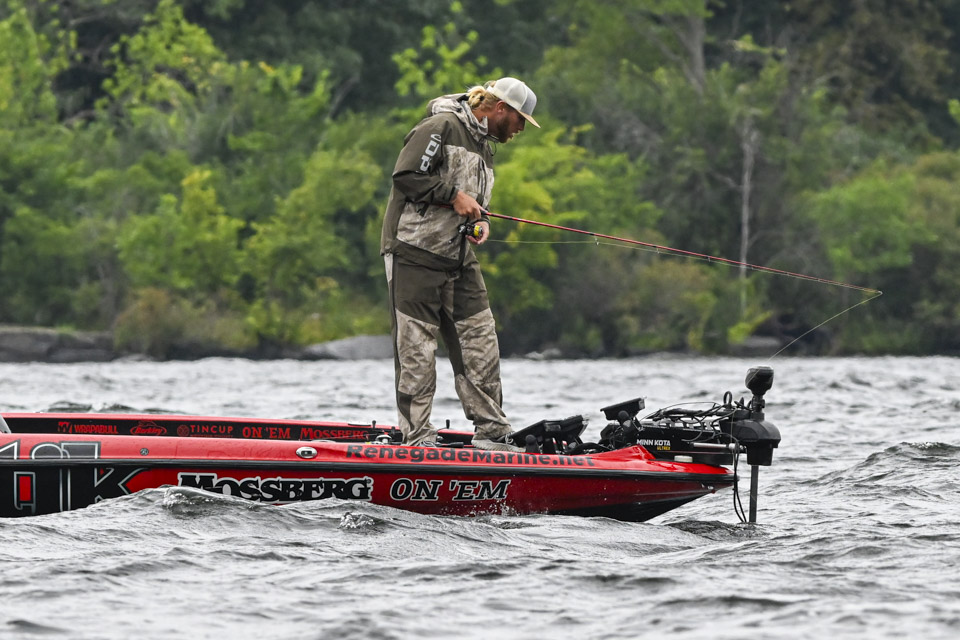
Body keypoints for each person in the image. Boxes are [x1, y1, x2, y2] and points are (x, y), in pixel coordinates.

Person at [380, 77, 540, 449]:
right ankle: (417, 438)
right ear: (500, 108)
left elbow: (472, 202)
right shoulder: (441, 126)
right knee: (416, 350)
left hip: (458, 256)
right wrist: (454, 196)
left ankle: (493, 432)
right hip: (413, 251)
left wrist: (480, 222)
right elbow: (406, 176)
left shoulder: (484, 146)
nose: (520, 129)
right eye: (519, 120)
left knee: (481, 340)